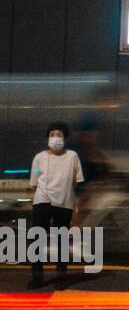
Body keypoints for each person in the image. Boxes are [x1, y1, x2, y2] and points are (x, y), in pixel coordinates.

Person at [28, 122, 85, 288]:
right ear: (47, 137)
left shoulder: (72, 156)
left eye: (59, 134)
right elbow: (35, 178)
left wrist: (75, 204)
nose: (55, 137)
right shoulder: (39, 158)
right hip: (42, 201)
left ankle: (61, 278)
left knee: (62, 241)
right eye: (52, 134)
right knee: (37, 240)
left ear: (65, 138)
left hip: (64, 202)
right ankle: (37, 278)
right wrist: (41, 178)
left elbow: (77, 180)